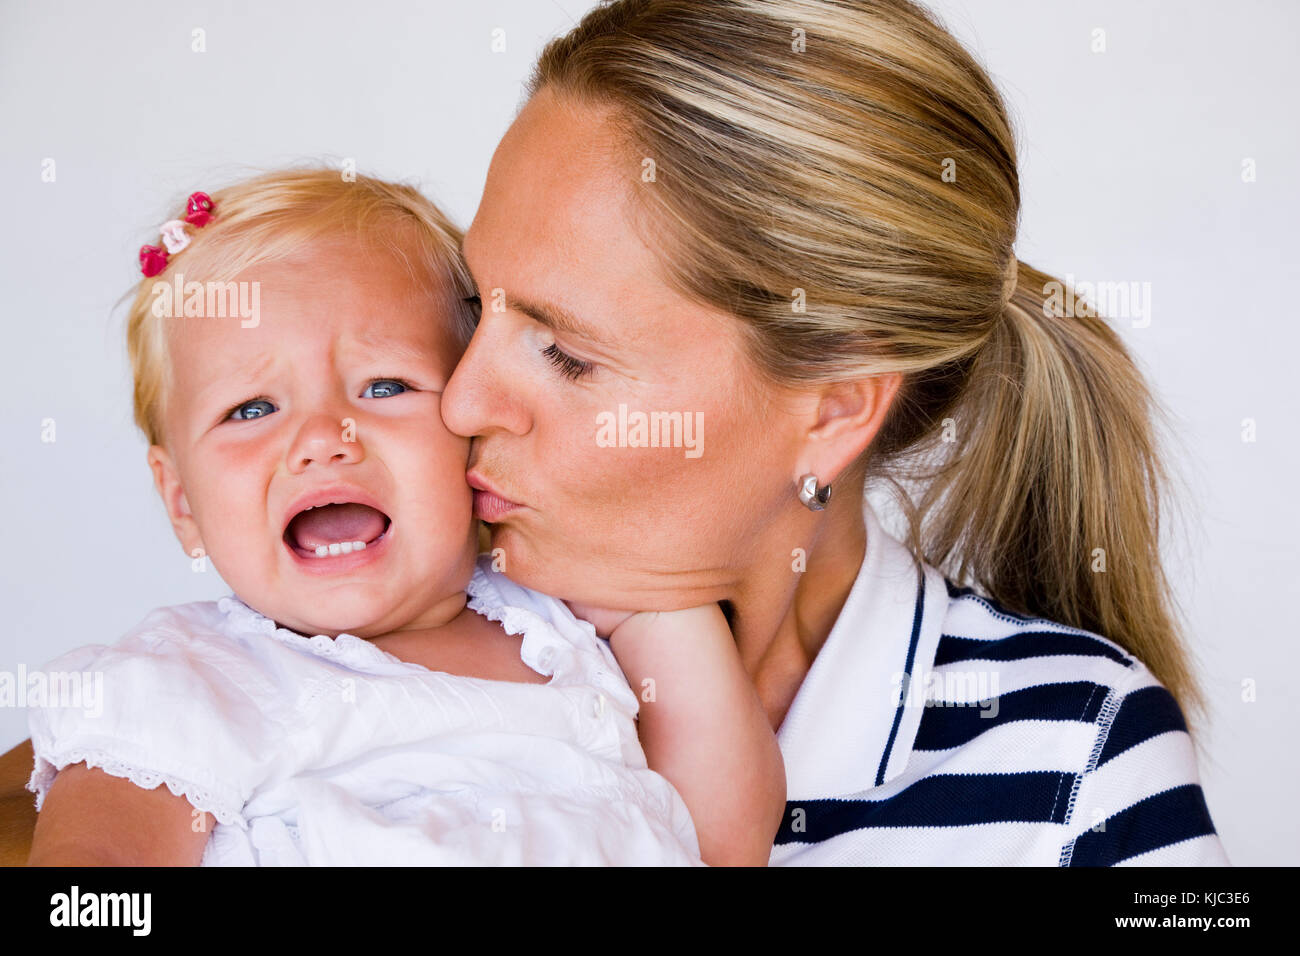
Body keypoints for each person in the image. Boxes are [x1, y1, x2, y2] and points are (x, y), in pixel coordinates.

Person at [440, 0, 1230, 865]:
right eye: (476, 305)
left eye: (564, 356)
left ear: (835, 411)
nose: (459, 402)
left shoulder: (1081, 771)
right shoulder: (353, 639)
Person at [24, 168, 785, 866]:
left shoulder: (567, 624)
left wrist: (656, 604)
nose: (323, 439)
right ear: (182, 502)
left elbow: (722, 838)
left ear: (474, 430)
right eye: (251, 409)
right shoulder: (190, 680)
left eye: (385, 387)